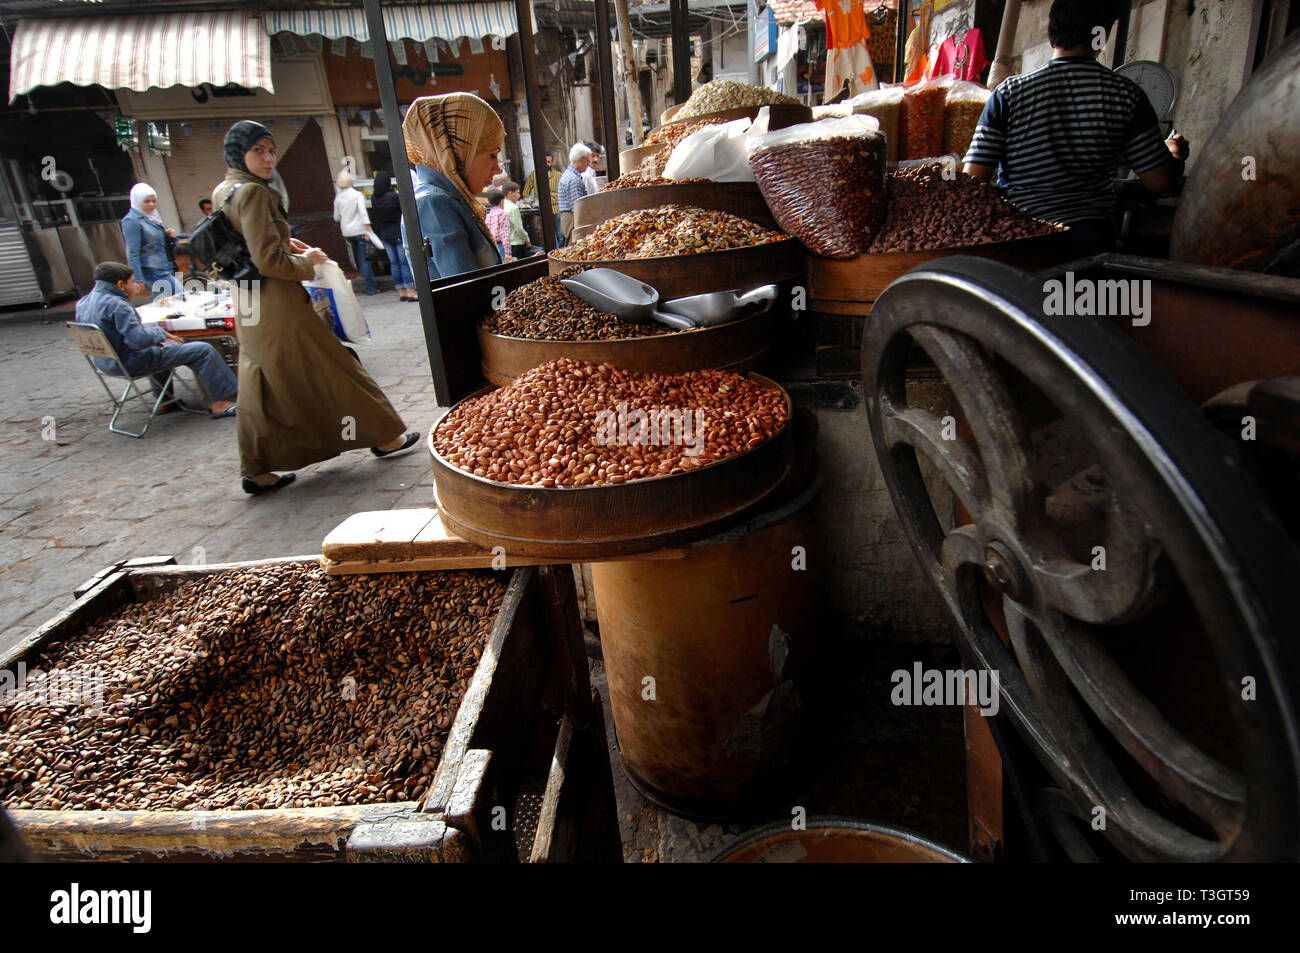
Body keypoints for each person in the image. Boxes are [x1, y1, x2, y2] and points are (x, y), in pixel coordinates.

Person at [214, 120, 419, 495]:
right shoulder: (256, 193)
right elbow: (266, 260)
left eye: (271, 150)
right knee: (336, 365)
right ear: (239, 152)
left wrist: (285, 241)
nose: (268, 158)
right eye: (258, 150)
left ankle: (257, 468)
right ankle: (385, 436)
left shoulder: (226, 190)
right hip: (277, 301)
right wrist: (308, 260)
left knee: (262, 380)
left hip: (247, 299)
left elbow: (250, 244)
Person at [962, 0, 1188, 256]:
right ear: (1101, 36)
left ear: (1051, 35)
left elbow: (972, 182)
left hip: (1019, 240)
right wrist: (1176, 155)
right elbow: (1159, 182)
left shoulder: (1009, 93)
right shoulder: (1127, 95)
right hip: (1088, 243)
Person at [75, 261, 238, 418]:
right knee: (203, 350)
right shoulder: (118, 305)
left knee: (163, 346)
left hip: (105, 362)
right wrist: (160, 333)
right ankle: (220, 403)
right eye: (132, 283)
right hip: (130, 362)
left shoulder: (83, 303)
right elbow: (137, 340)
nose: (135, 287)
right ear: (120, 285)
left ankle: (164, 400)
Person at [403, 93, 505, 280]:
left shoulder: (452, 198)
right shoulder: (433, 204)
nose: (497, 168)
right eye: (492, 155)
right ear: (458, 153)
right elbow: (467, 291)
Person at [121, 183, 179, 300]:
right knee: (179, 297)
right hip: (152, 269)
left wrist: (168, 236)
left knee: (167, 302)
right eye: (146, 201)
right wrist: (138, 279)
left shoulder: (152, 218)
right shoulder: (132, 220)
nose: (151, 204)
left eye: (153, 201)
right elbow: (133, 251)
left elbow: (155, 243)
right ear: (137, 201)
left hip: (165, 266)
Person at [370, 171, 417, 302]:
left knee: (394, 264)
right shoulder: (393, 196)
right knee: (404, 263)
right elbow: (402, 212)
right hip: (397, 232)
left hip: (384, 234)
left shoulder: (374, 198)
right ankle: (410, 291)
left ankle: (401, 291)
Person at [333, 170, 379, 296]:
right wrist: (367, 227)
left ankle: (364, 278)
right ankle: (370, 288)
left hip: (347, 232)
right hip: (359, 229)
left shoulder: (338, 198)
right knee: (365, 258)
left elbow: (336, 217)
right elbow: (363, 212)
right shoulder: (357, 195)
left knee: (359, 257)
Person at [523, 151, 563, 245]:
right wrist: (531, 203)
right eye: (545, 161)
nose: (547, 164)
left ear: (552, 163)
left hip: (557, 208)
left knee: (560, 234)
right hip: (543, 210)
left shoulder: (558, 175)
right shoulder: (534, 174)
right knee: (549, 235)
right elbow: (526, 192)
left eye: (549, 162)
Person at [558, 143, 591, 246]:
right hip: (572, 219)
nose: (588, 163)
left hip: (570, 217)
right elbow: (578, 209)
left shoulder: (570, 175)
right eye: (587, 160)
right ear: (581, 160)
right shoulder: (573, 180)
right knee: (575, 247)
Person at [503, 182, 537, 260]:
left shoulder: (502, 206)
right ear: (510, 193)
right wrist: (527, 239)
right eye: (517, 193)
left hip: (507, 244)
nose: (519, 196)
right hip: (517, 243)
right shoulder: (513, 208)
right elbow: (519, 228)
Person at [484, 188, 512, 262]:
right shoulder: (503, 214)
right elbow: (505, 235)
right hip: (501, 246)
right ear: (501, 201)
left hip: (491, 247)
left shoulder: (488, 216)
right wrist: (508, 254)